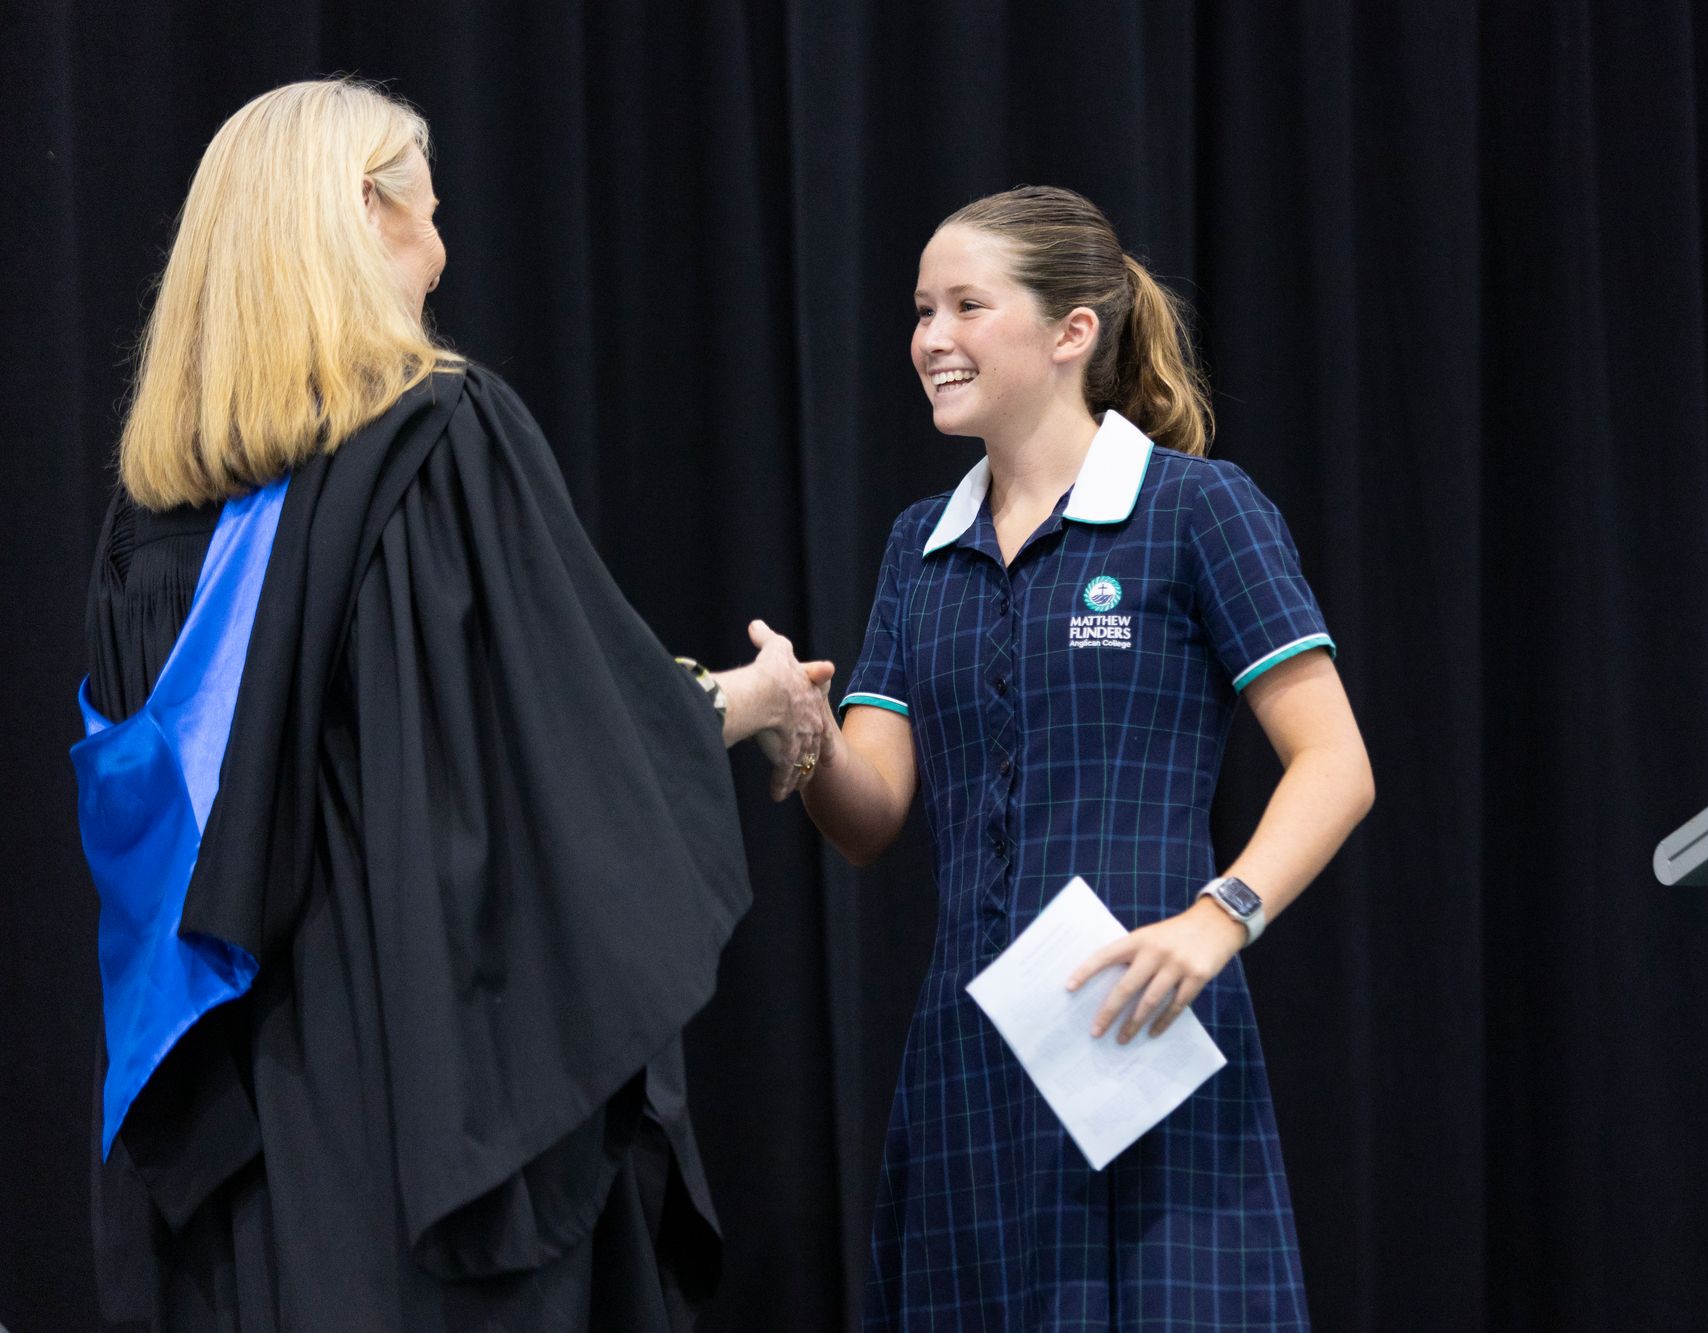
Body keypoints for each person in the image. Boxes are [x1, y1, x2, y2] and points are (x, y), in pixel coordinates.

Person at [73, 79, 829, 1331]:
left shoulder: (140, 529)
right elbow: (551, 752)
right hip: (412, 1110)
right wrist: (746, 699)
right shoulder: (435, 441)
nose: (442, 254)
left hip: (220, 1148)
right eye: (426, 215)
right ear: (362, 220)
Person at [792, 186, 1375, 1328]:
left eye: (966, 304)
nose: (930, 338)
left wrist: (1218, 919)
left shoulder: (1194, 508)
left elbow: (1334, 762)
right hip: (970, 1053)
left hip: (1139, 1033)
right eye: (920, 310)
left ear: (1073, 333)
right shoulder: (920, 544)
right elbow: (868, 815)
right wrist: (804, 736)